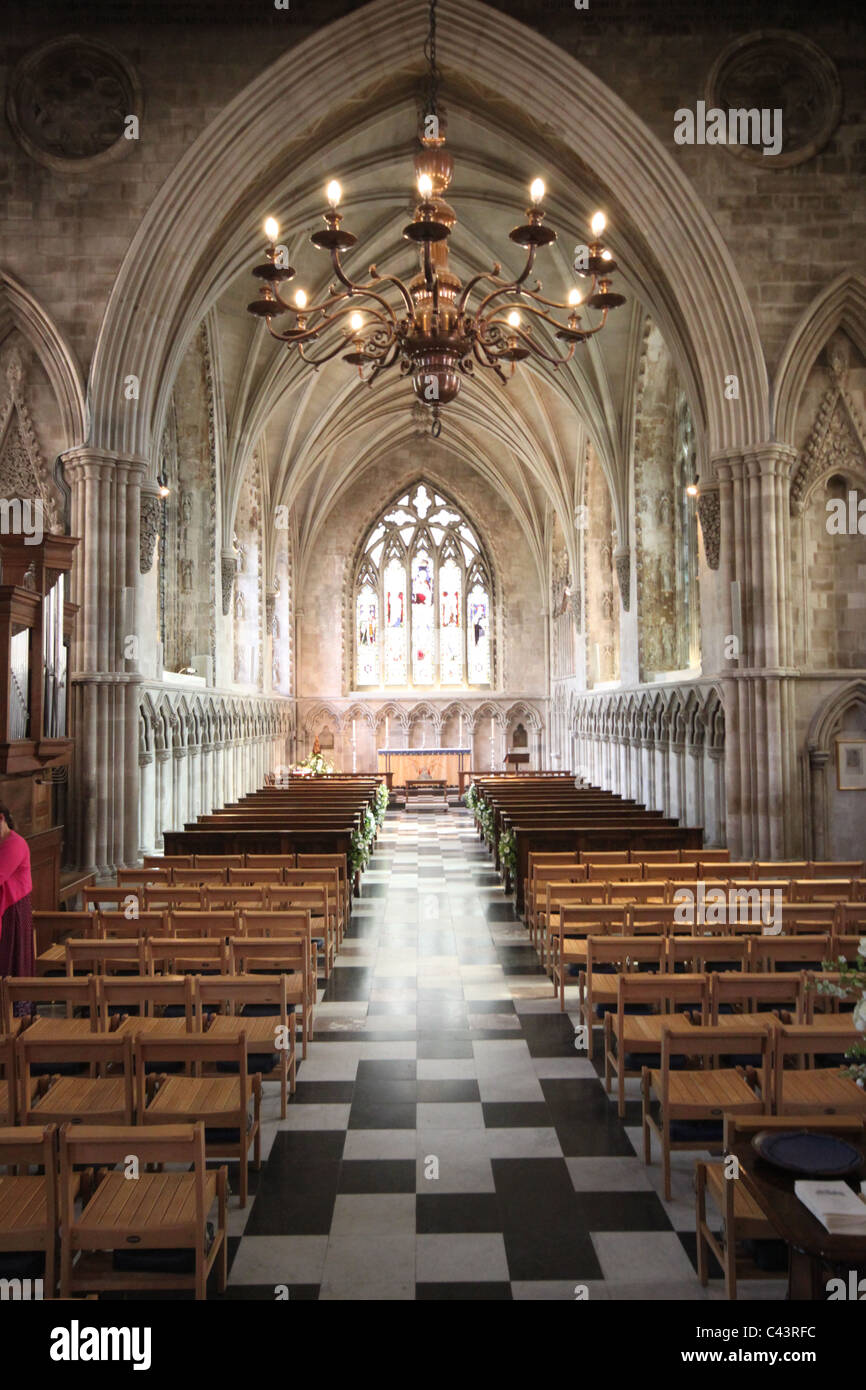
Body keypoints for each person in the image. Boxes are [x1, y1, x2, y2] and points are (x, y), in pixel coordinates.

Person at [0, 804, 34, 1009]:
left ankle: (14, 1015)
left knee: (12, 960)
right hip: (5, 909)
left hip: (13, 911)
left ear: (1, 818)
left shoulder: (15, 844)